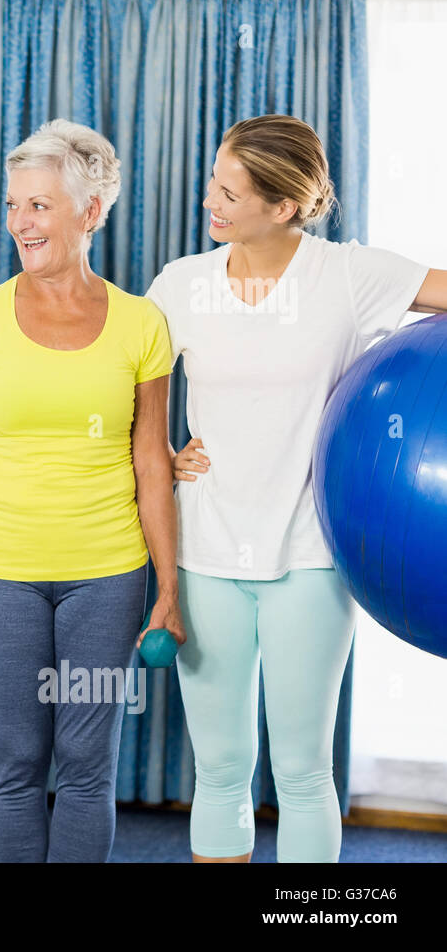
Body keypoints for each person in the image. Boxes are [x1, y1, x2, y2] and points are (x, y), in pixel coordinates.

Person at [147, 114, 447, 863]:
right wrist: (156, 450)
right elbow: (123, 384)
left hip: (311, 555)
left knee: (304, 772)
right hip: (206, 549)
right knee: (218, 770)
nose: (208, 202)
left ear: (283, 207)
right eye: (212, 182)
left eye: (228, 192)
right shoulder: (180, 285)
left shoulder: (350, 276)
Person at [0, 119, 183, 862]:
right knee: (16, 768)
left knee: (88, 770)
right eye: (12, 205)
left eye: (39, 206)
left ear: (90, 212)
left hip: (109, 573)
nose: (20, 223)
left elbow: (151, 463)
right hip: (0, 572)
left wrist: (167, 587)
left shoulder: (141, 324)